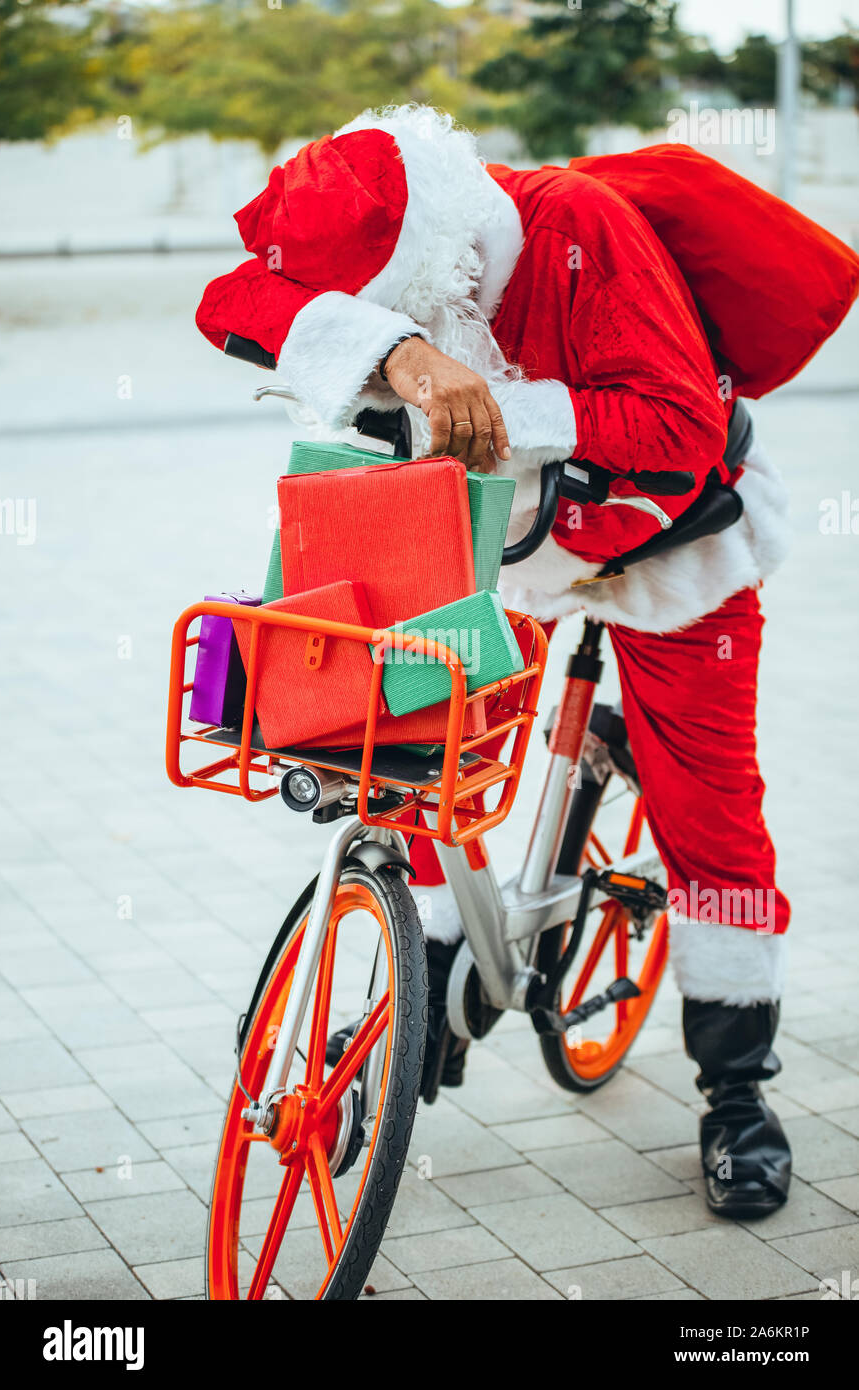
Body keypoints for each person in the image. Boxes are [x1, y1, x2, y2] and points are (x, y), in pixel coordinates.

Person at [197, 104, 793, 1219]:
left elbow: (676, 426)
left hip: (670, 540)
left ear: (434, 258)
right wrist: (401, 355)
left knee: (708, 811)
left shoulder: (573, 227)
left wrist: (498, 408)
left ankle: (737, 1090)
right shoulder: (402, 278)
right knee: (417, 743)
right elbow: (227, 300)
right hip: (502, 543)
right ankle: (433, 968)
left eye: (398, 314)